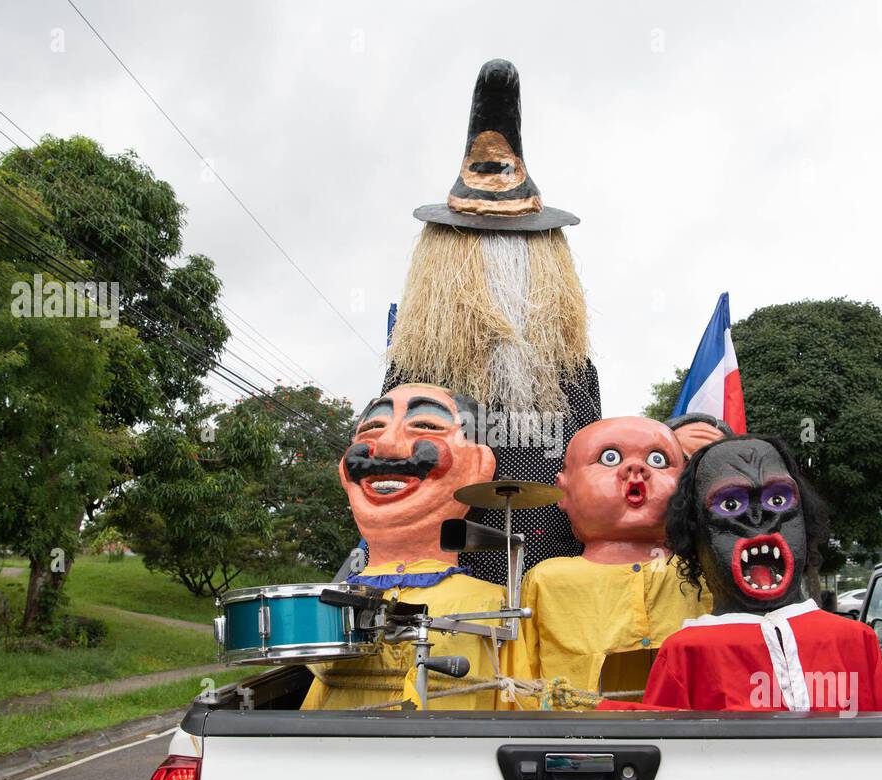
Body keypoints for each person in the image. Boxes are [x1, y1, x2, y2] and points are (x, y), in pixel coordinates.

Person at [382, 59, 601, 583]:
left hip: (554, 570)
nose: (500, 260)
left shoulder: (573, 369)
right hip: (440, 574)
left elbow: (593, 466)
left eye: (519, 243)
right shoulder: (414, 364)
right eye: (478, 242)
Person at [601, 434, 882, 713]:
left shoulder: (857, 641)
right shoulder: (686, 653)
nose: (758, 518)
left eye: (778, 500)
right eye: (731, 504)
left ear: (804, 520)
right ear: (695, 536)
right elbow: (668, 752)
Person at [300, 384, 507, 711]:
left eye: (426, 425)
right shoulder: (330, 602)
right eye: (372, 428)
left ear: (477, 466)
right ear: (343, 470)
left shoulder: (492, 603)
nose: (386, 444)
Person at [509, 417, 711, 705]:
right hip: (575, 738)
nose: (636, 469)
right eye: (610, 457)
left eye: (658, 459)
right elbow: (522, 672)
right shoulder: (546, 579)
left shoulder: (702, 571)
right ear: (564, 490)